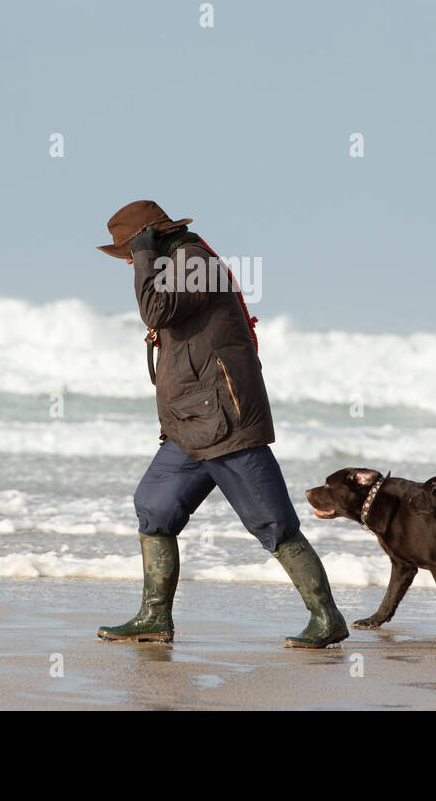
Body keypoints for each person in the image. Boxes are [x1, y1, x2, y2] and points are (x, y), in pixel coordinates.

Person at [94, 200, 348, 648]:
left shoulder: (194, 261)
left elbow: (155, 311)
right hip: (189, 425)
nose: (130, 262)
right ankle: (155, 618)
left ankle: (326, 618)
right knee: (153, 506)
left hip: (224, 422)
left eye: (129, 251)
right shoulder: (175, 266)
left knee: (273, 523)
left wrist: (145, 256)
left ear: (149, 239)